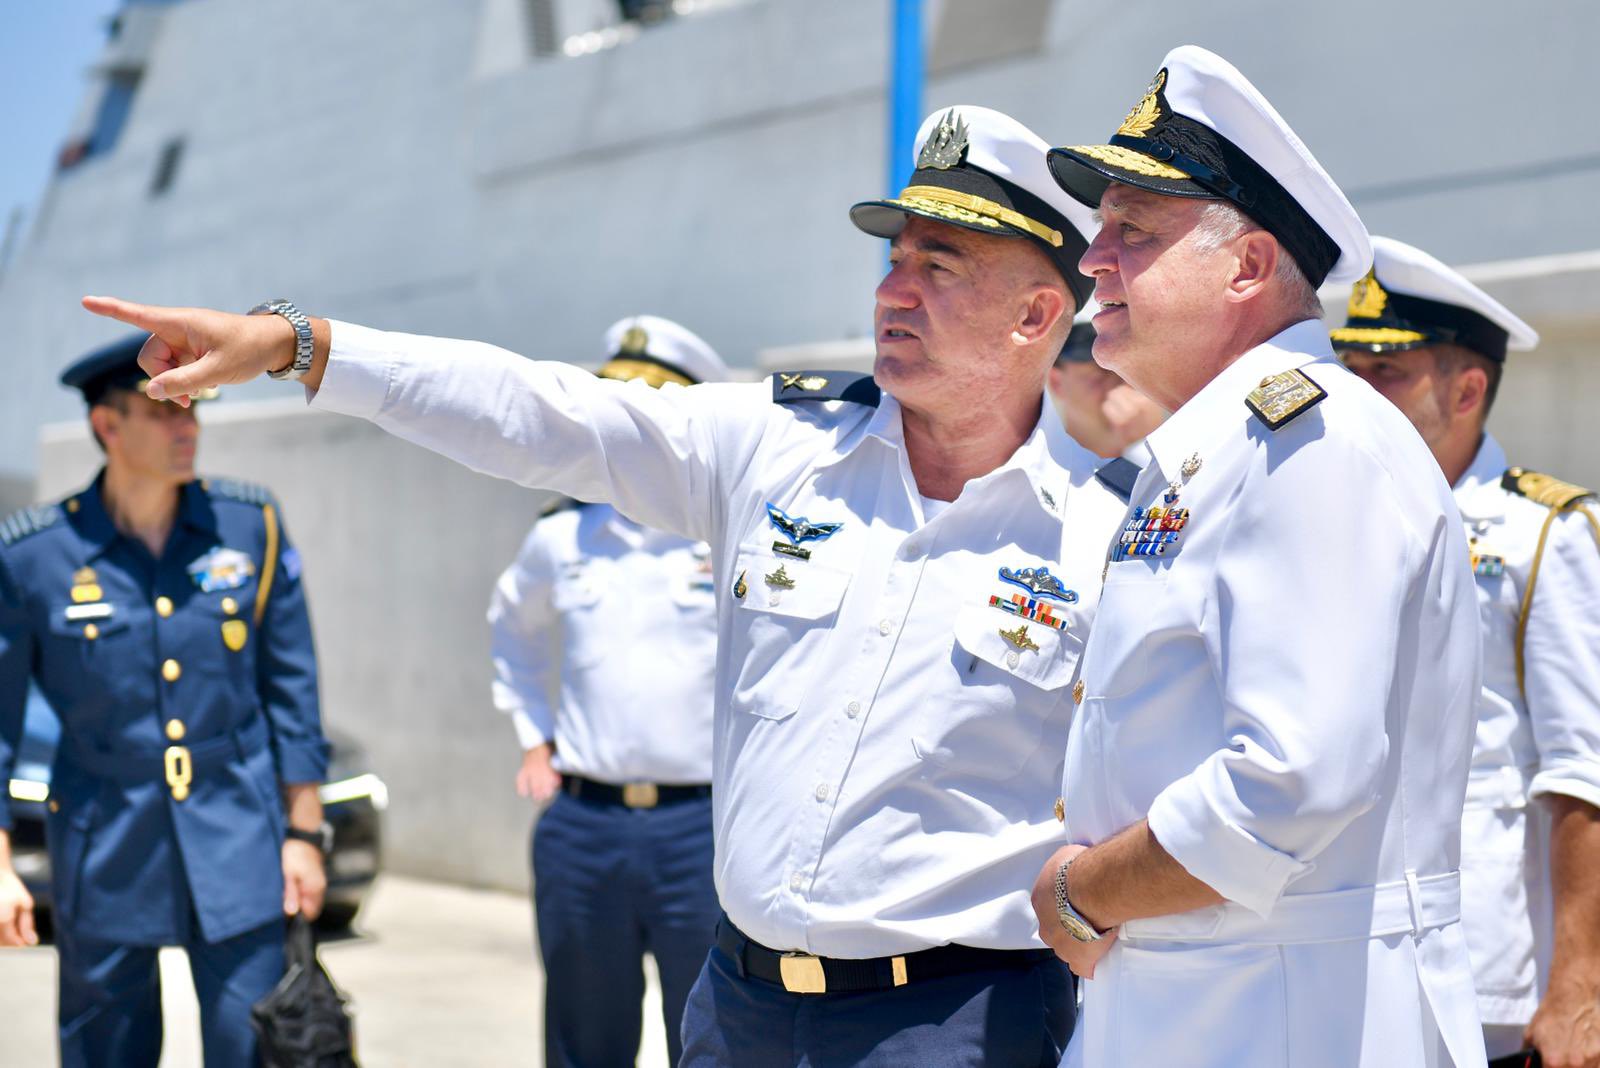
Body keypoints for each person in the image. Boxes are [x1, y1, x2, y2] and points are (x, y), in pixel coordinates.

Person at [82, 104, 1129, 1066]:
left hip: (953, 1025)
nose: (892, 289)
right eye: (893, 259)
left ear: (1035, 314)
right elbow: (540, 412)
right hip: (741, 1010)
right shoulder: (776, 446)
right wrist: (302, 344)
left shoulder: (1105, 532)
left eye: (938, 266)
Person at [1028, 46, 1485, 1067]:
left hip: (1288, 1018)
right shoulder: (1221, 447)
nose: (1093, 260)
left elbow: (1294, 779)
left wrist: (1080, 891)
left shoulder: (1308, 444)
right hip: (1200, 1004)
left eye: (1133, 232)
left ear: (1246, 266)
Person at [0, 335, 331, 1066]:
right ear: (107, 425)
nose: (188, 427)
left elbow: (293, 691)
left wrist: (305, 836)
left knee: (253, 1046)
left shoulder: (250, 525)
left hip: (239, 837)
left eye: (194, 409)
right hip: (104, 846)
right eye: (165, 411)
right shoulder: (31, 556)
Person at [1334, 237, 1600, 1068]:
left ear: (1467, 390)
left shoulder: (1543, 532)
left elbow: (1584, 770)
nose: (1358, 392)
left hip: (1486, 966)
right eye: (1350, 368)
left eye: (1387, 371)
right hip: (1343, 947)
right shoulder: (1335, 515)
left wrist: (1580, 982)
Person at [488, 315, 730, 1067]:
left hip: (704, 830)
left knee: (715, 1037)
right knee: (583, 1039)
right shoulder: (562, 535)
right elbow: (512, 629)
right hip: (583, 827)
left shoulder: (726, 532)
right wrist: (533, 735)